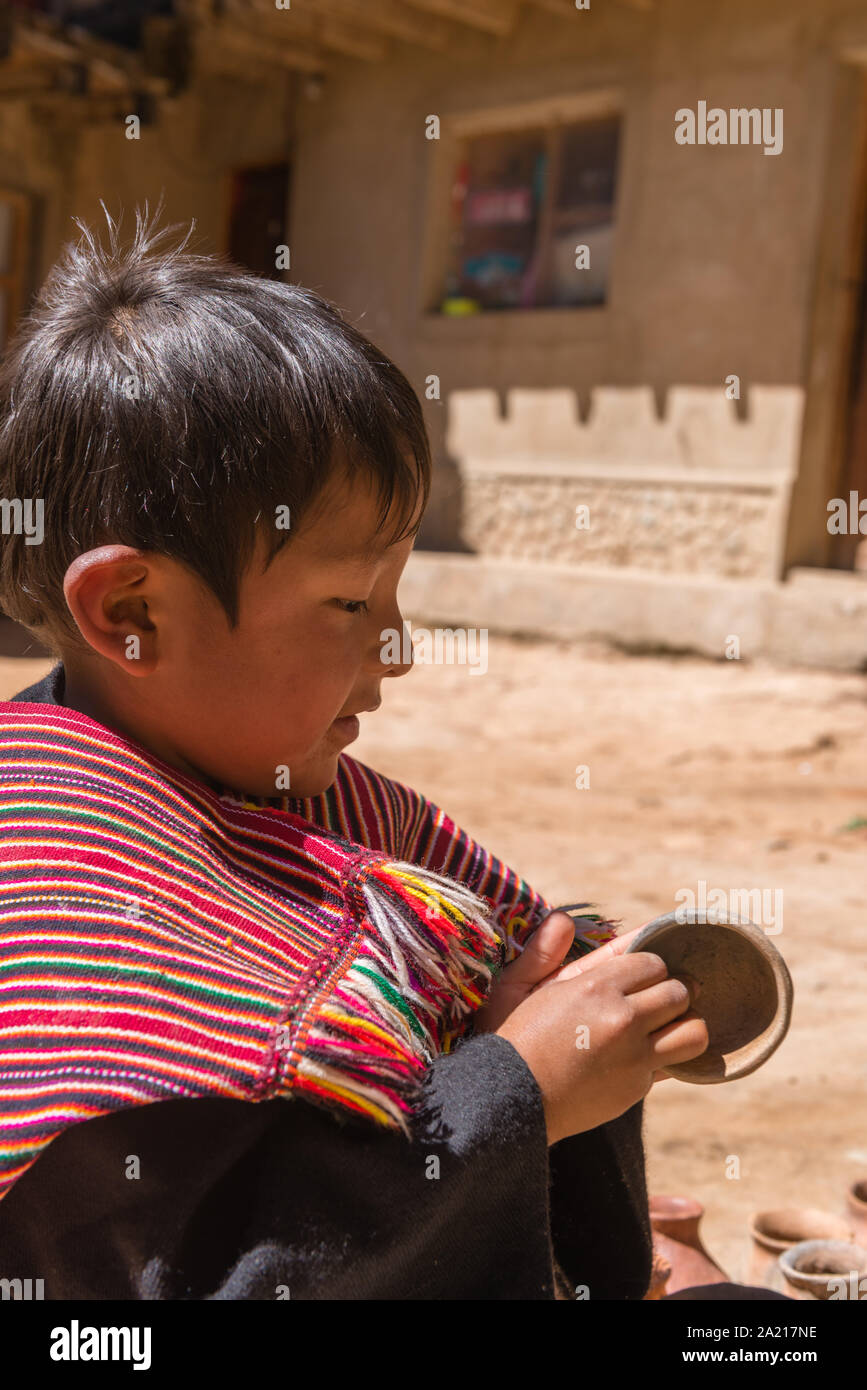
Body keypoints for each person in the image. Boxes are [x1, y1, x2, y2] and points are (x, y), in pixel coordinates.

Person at [0, 203, 709, 1300]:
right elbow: (228, 1277)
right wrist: (520, 1092)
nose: (400, 648)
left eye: (397, 594)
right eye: (350, 599)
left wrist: (478, 1038)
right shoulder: (62, 901)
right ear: (131, 612)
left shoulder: (305, 810)